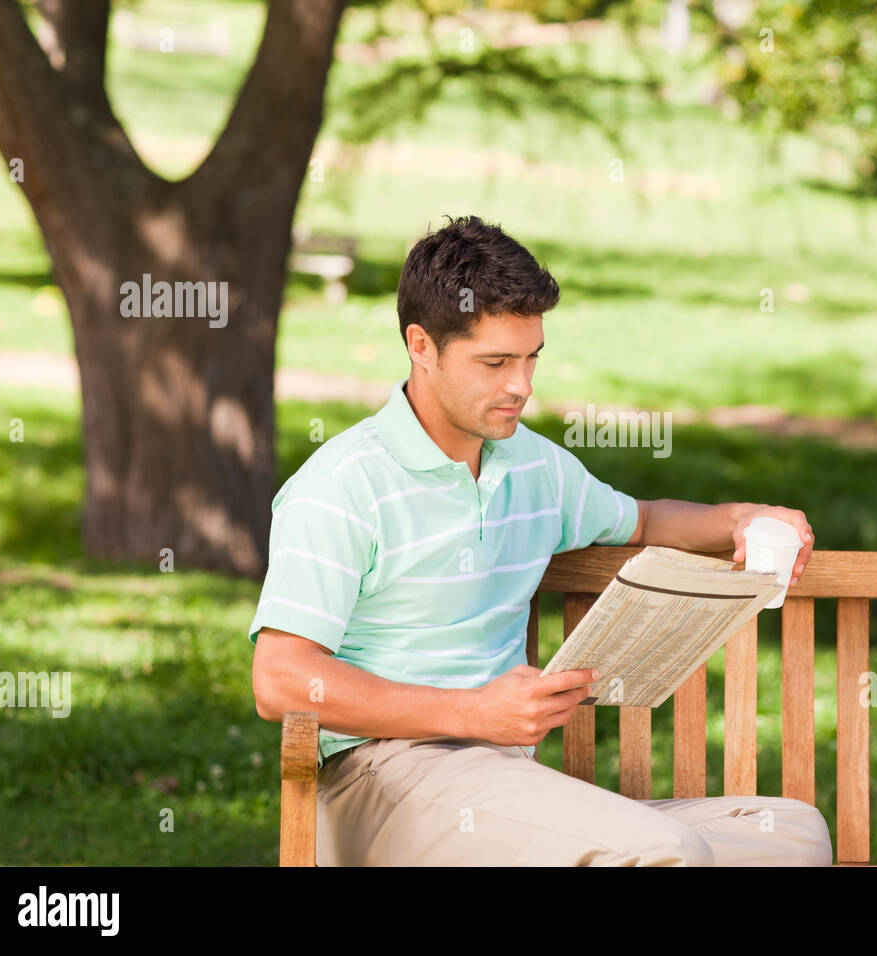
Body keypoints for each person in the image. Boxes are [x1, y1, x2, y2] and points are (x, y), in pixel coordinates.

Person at [248, 214, 831, 866]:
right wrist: (472, 714)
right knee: (665, 850)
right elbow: (280, 679)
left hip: (501, 783)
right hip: (383, 779)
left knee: (790, 838)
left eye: (530, 359)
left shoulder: (533, 467)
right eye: (494, 362)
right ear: (421, 345)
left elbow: (643, 521)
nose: (520, 386)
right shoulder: (342, 485)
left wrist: (739, 519)